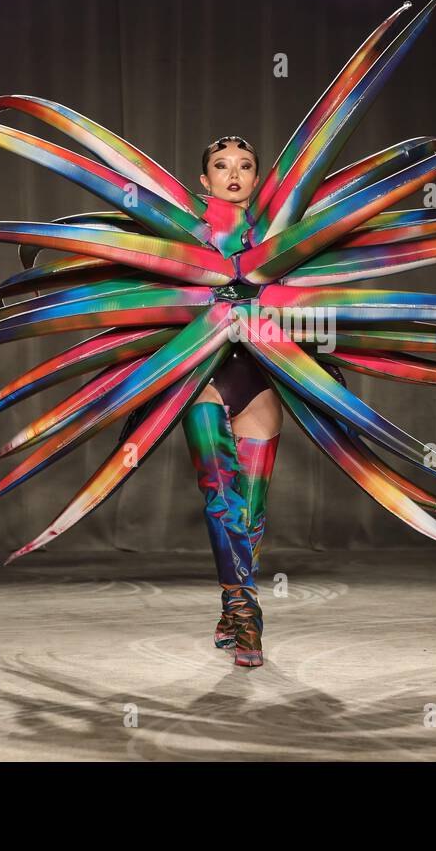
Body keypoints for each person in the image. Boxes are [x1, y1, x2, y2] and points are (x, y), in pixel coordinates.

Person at [182, 137, 282, 668]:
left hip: (259, 376)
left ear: (257, 177)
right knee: (220, 496)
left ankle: (229, 604)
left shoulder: (278, 238)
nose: (234, 173)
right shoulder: (182, 233)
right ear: (205, 180)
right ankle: (247, 618)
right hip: (202, 374)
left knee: (251, 510)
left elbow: (304, 302)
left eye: (245, 165)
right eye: (221, 165)